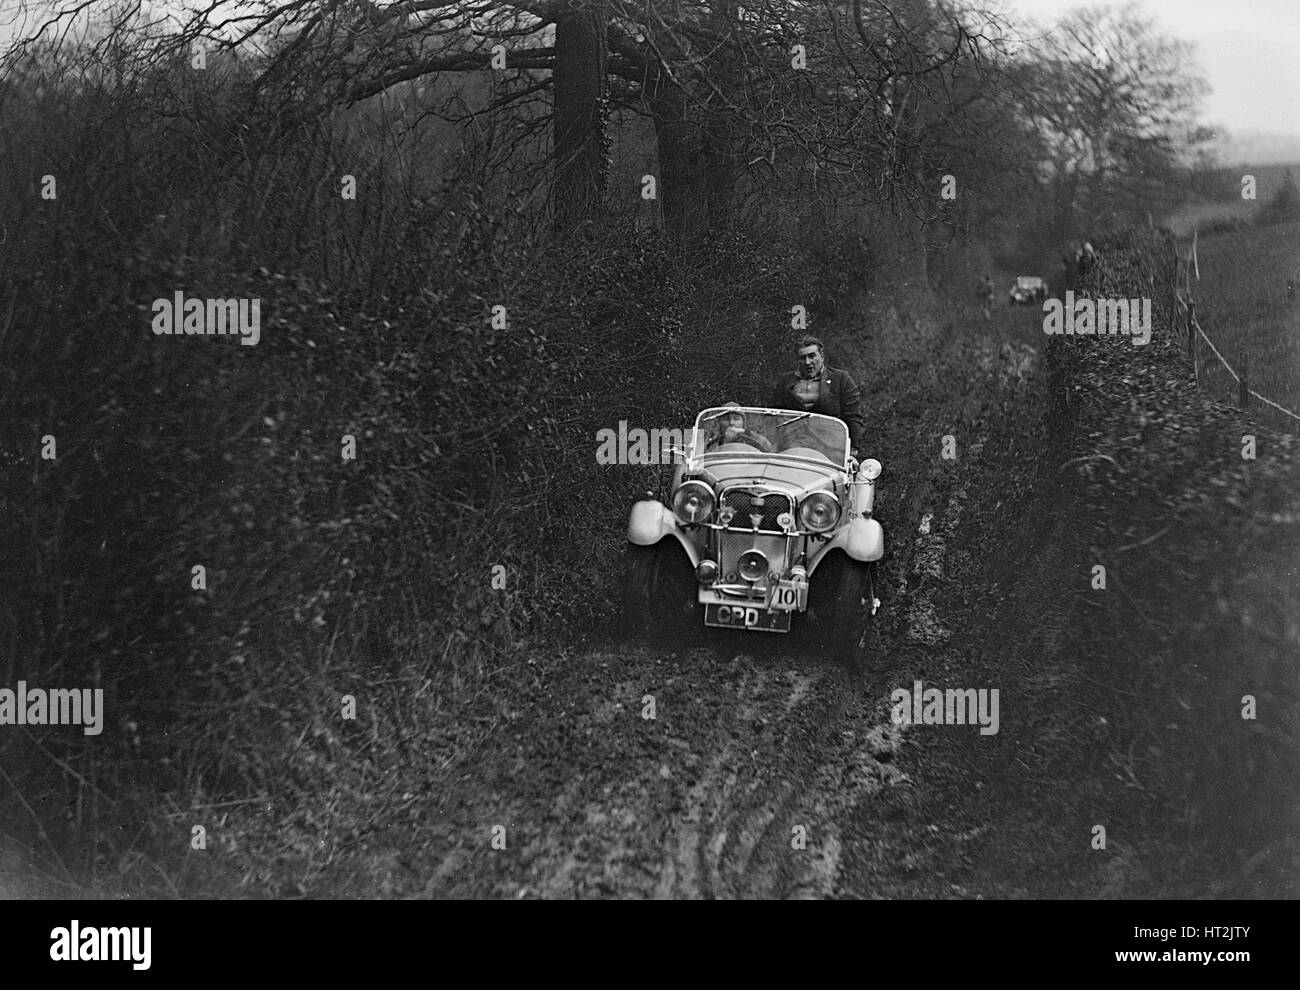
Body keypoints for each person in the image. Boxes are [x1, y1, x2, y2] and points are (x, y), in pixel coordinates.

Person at [769, 336, 866, 461]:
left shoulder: (841, 379)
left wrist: (851, 453)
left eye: (812, 356)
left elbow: (853, 417)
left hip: (830, 451)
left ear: (822, 356)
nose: (807, 362)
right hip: (792, 449)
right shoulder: (785, 382)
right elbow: (773, 418)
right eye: (802, 358)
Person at [705, 401, 774, 452]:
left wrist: (745, 433)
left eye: (736, 419)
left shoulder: (757, 439)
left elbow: (769, 454)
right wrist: (726, 440)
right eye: (726, 419)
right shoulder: (714, 443)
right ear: (720, 422)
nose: (731, 423)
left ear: (743, 422)